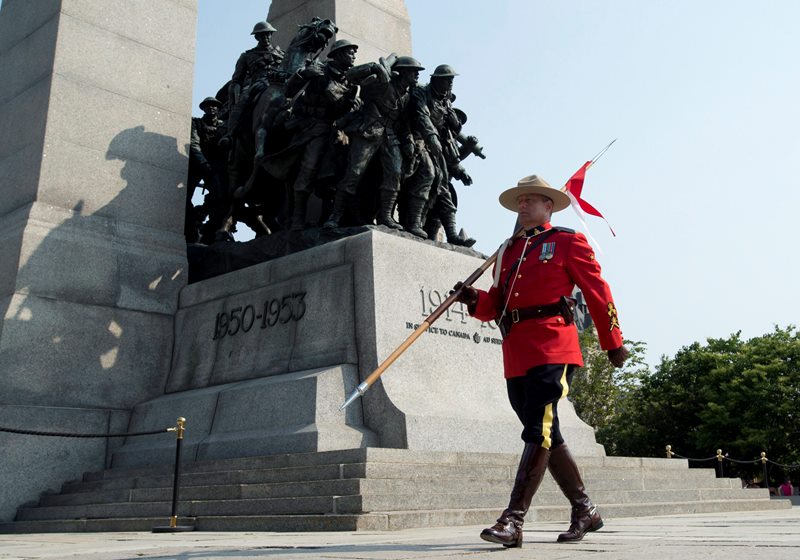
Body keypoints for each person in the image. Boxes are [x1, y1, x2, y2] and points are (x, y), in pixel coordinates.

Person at [453, 175, 628, 548]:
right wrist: (473, 300)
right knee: (545, 430)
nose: (523, 206)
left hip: (553, 344)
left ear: (549, 205)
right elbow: (497, 303)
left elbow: (598, 292)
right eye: (520, 201)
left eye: (531, 200)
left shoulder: (566, 241)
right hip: (517, 349)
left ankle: (512, 521)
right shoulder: (509, 250)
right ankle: (585, 510)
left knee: (538, 430)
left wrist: (612, 341)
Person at [323, 55, 424, 230]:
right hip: (368, 132)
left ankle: (385, 216)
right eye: (414, 72)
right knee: (354, 173)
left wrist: (408, 140)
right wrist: (374, 67)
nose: (417, 76)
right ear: (404, 72)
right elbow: (352, 76)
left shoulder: (407, 95)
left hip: (390, 136)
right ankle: (336, 215)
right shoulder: (382, 84)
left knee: (394, 174)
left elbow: (405, 123)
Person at [282, 39, 361, 231]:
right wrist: (302, 74)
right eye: (350, 52)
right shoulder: (319, 71)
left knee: (343, 169)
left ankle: (331, 216)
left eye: (354, 53)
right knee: (309, 168)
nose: (354, 56)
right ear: (338, 54)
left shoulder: (350, 79)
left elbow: (344, 106)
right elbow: (288, 91)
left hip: (336, 129)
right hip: (313, 127)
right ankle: (298, 218)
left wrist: (355, 103)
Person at [186, 97, 227, 243]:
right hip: (198, 165)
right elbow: (194, 144)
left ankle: (212, 229)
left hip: (215, 165)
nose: (212, 108)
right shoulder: (196, 123)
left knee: (221, 196)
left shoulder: (224, 126)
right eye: (208, 106)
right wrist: (203, 163)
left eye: (215, 106)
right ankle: (191, 229)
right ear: (203, 108)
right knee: (185, 198)